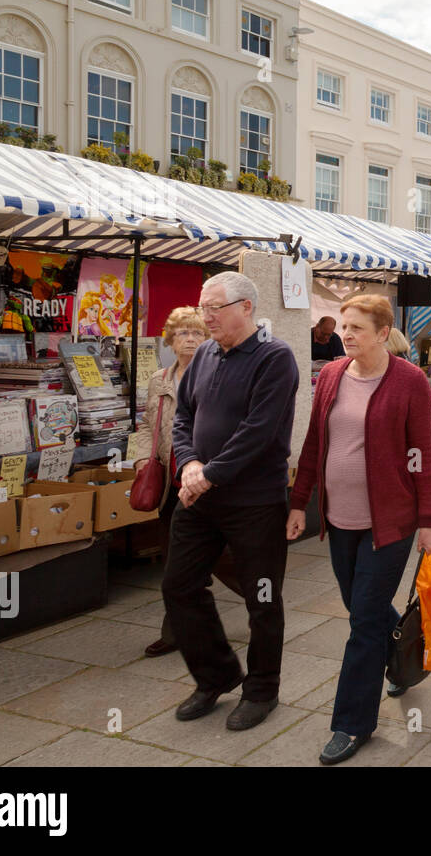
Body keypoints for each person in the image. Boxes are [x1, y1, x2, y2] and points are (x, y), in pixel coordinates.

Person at [288, 294, 431, 765]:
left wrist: (429, 524)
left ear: (382, 333)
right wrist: (299, 503)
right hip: (339, 519)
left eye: (356, 328)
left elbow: (425, 457)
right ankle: (407, 652)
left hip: (389, 524)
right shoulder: (332, 374)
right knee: (364, 609)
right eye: (345, 327)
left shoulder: (410, 382)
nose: (346, 334)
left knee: (361, 624)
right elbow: (315, 441)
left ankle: (352, 724)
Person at [162, 271, 300, 732]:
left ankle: (262, 689)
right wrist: (188, 466)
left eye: (214, 308)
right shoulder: (203, 354)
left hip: (254, 502)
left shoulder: (274, 357)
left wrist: (208, 475)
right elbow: (183, 417)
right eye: (203, 307)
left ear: (245, 308)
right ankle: (216, 676)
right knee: (178, 586)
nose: (206, 317)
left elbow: (259, 433)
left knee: (262, 599)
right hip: (199, 495)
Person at [130, 306, 243, 658]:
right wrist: (140, 459)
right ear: (170, 340)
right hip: (170, 484)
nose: (190, 340)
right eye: (182, 334)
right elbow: (146, 425)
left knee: (222, 557)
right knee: (174, 562)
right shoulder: (159, 380)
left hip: (209, 481)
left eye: (196, 333)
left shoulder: (219, 376)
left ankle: (262, 597)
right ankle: (177, 630)